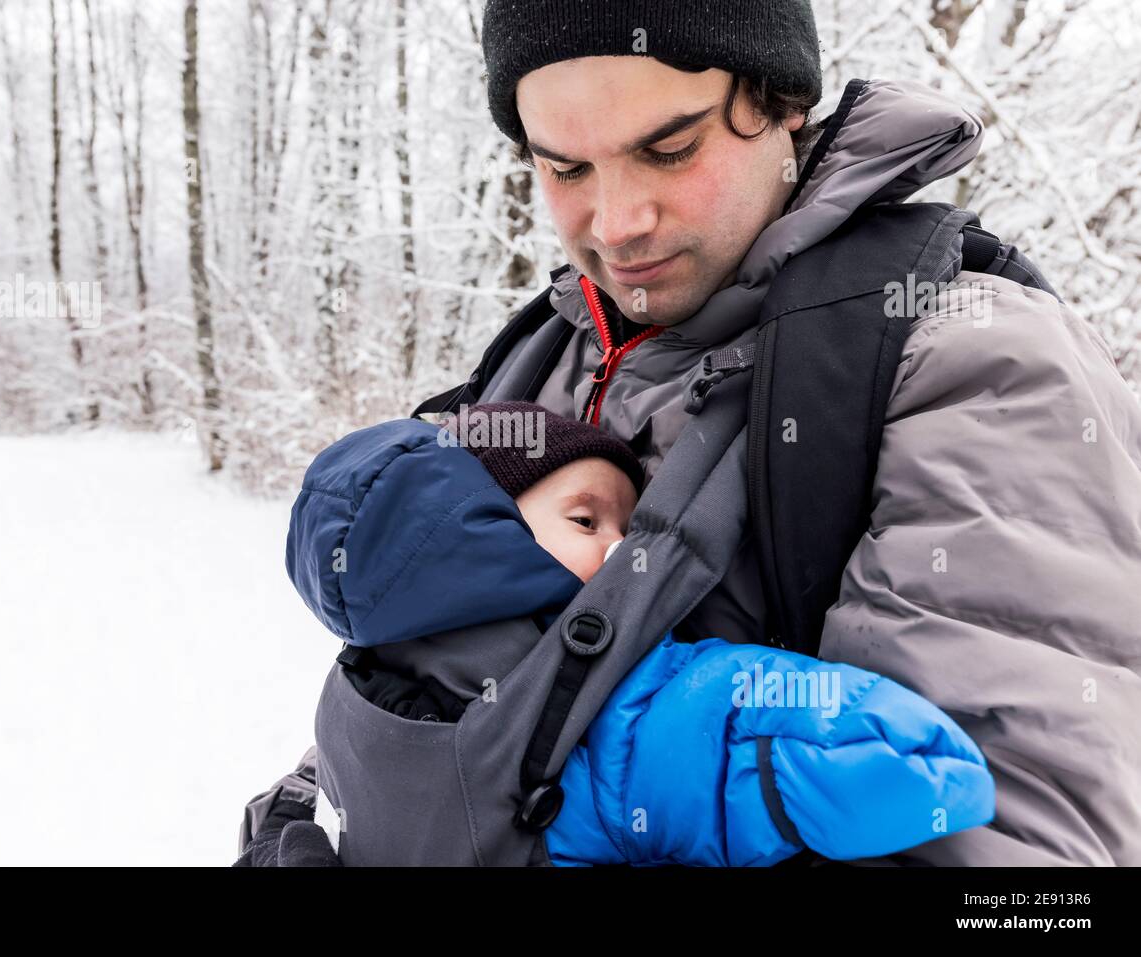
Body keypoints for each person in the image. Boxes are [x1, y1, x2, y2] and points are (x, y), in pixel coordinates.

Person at [241, 0, 1141, 867]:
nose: (617, 223)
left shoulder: (969, 362)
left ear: (782, 106)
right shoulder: (540, 358)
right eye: (565, 168)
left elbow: (1021, 863)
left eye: (668, 149)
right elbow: (430, 677)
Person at [244, 401, 994, 866]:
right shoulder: (597, 702)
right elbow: (712, 727)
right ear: (477, 527)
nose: (618, 550)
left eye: (628, 527)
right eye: (584, 519)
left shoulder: (357, 676)